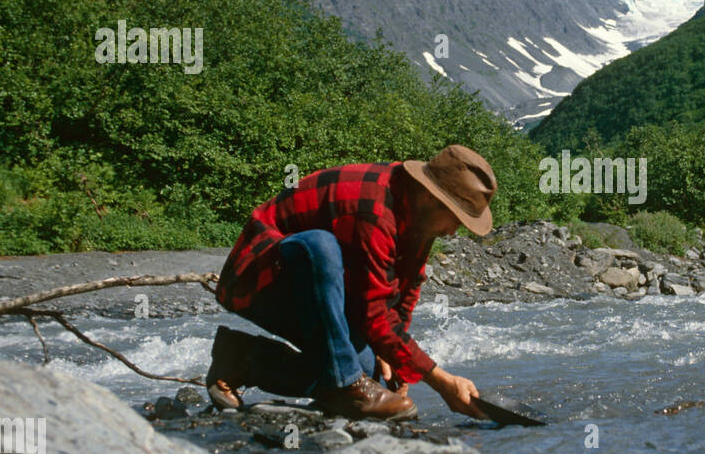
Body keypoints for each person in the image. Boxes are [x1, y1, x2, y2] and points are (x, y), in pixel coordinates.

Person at [205, 145, 494, 421]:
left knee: (364, 369)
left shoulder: (420, 212)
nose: (454, 231)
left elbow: (404, 291)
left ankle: (241, 359)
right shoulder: (375, 210)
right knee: (320, 246)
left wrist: (397, 361)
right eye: (456, 218)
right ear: (432, 198)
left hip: (316, 287)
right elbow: (374, 314)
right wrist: (440, 380)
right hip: (256, 278)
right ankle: (342, 386)